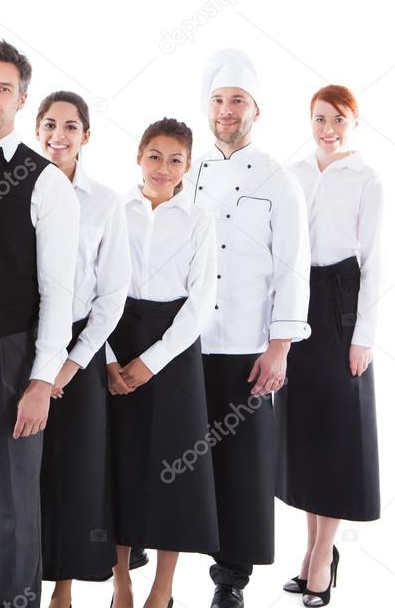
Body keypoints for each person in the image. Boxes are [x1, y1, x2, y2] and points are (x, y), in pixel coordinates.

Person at [0, 41, 79, 608]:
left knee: (16, 508)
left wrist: (41, 381)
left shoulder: (47, 182)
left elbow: (58, 292)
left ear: (22, 99)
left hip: (11, 357)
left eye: (4, 88)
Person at [191, 48, 312, 608]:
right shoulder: (189, 172)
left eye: (236, 101)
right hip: (188, 344)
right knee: (184, 457)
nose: (226, 110)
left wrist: (280, 346)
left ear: (255, 110)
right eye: (218, 100)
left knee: (241, 467)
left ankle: (230, 581)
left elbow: (292, 267)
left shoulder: (278, 179)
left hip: (245, 345)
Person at [106, 117, 219, 608]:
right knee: (118, 465)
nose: (163, 167)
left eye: (176, 160)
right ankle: (122, 585)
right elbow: (96, 288)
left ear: (188, 166)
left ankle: (162, 591)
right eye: (155, 156)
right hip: (115, 333)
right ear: (139, 156)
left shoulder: (199, 219)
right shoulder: (116, 210)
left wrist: (150, 363)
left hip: (173, 349)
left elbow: (200, 303)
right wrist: (109, 358)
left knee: (175, 471)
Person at [276, 85, 382, 607]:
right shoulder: (292, 175)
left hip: (342, 303)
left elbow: (376, 261)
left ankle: (322, 558)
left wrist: (362, 337)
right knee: (308, 438)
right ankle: (311, 551)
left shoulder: (367, 179)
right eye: (320, 118)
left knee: (340, 439)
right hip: (299, 303)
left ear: (353, 123)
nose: (328, 128)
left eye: (338, 119)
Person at [33, 91, 130, 608]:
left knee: (77, 470)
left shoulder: (106, 202)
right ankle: (24, 579)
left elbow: (111, 298)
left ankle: (64, 590)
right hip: (22, 346)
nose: (58, 136)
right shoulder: (15, 189)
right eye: (49, 125)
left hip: (79, 353)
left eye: (70, 127)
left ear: (86, 136)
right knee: (27, 472)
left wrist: (67, 369)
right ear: (35, 130)